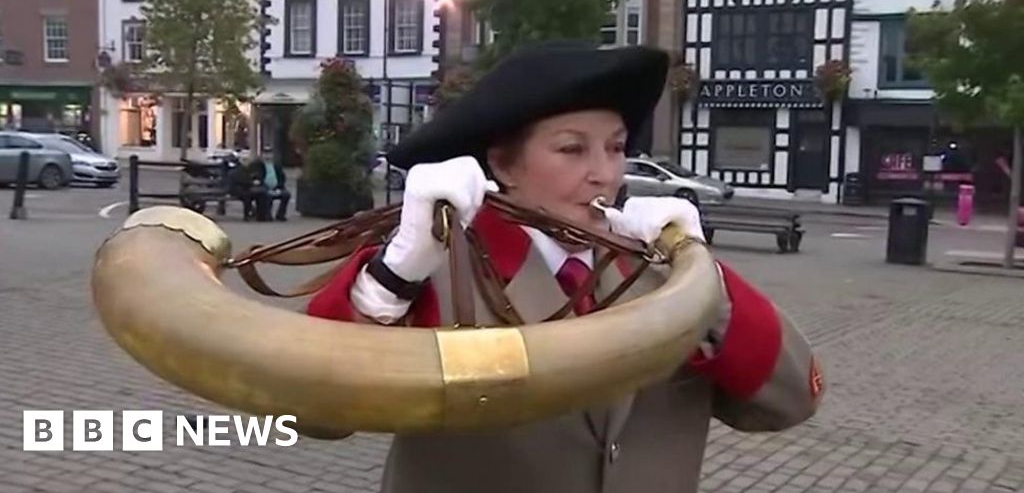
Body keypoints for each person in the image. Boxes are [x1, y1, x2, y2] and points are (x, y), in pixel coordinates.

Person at [306, 42, 824, 493]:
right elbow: (315, 414)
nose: (604, 174)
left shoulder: (663, 275)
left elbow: (793, 398)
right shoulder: (436, 269)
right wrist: (394, 274)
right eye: (572, 149)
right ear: (503, 165)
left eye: (615, 147)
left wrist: (701, 273)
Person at [252, 155, 290, 221]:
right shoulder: (258, 166)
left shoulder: (276, 165)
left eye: (269, 154)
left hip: (276, 187)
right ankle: (267, 215)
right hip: (264, 188)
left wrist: (278, 187)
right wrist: (267, 188)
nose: (268, 157)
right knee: (267, 195)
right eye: (265, 154)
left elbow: (282, 178)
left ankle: (280, 214)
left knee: (286, 194)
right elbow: (258, 178)